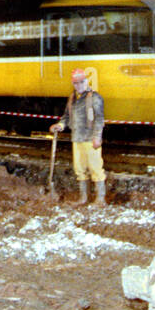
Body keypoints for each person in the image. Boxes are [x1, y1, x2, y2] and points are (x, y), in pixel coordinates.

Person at [50, 67, 106, 206]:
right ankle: (83, 198)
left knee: (96, 168)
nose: (78, 85)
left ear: (86, 81)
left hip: (90, 139)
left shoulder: (94, 97)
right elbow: (66, 117)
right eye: (76, 83)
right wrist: (60, 125)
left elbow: (99, 119)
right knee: (79, 169)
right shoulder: (72, 98)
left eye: (81, 82)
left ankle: (100, 199)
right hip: (77, 138)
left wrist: (97, 137)